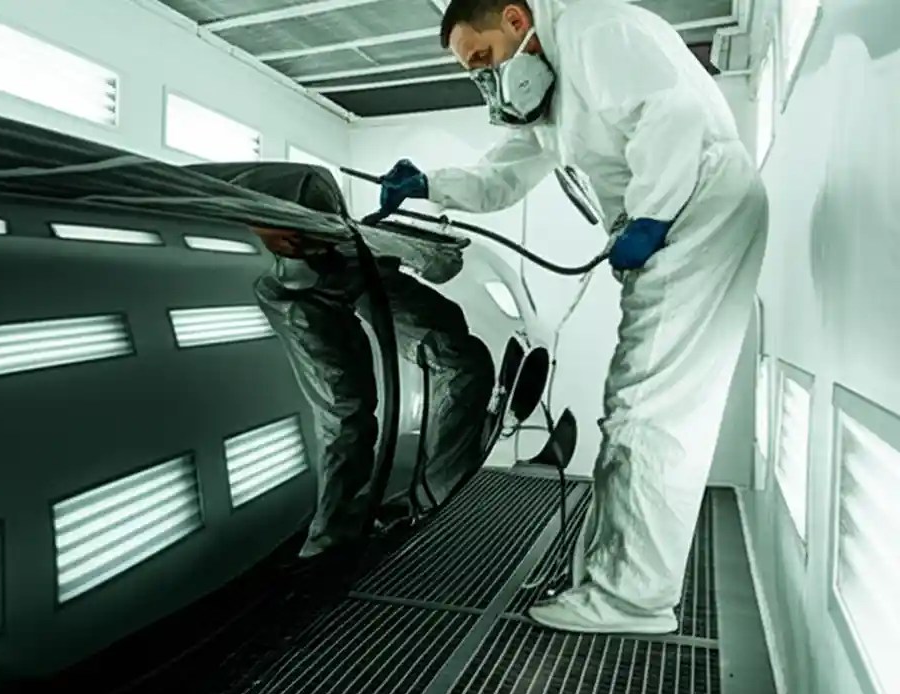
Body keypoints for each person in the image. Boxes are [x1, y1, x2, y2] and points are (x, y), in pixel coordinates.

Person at [374, 0, 768, 634]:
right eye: (472, 72)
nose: (486, 78)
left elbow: (674, 114)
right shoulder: (551, 99)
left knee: (648, 411)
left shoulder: (594, 30)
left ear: (513, 18)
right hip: (677, 221)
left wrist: (652, 216)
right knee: (635, 408)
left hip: (697, 210)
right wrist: (429, 184)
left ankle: (634, 600)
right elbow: (499, 180)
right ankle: (610, 578)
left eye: (484, 60)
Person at [248, 184, 495, 561]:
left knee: (465, 362)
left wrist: (409, 240)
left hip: (351, 266)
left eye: (303, 232)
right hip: (301, 290)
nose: (295, 240)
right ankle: (329, 541)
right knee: (346, 415)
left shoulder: (356, 245)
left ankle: (436, 496)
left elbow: (443, 269)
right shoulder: (289, 284)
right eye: (287, 234)